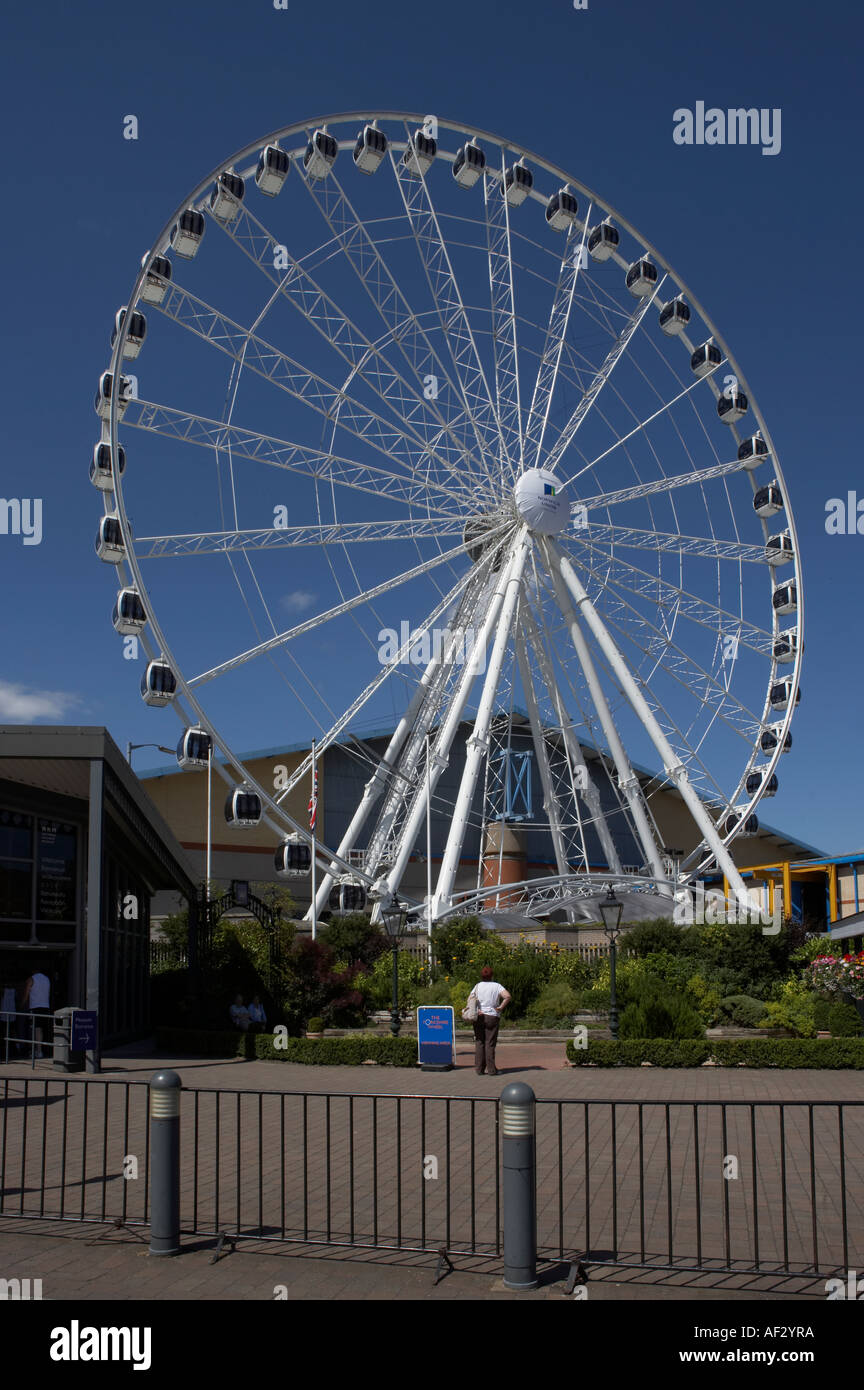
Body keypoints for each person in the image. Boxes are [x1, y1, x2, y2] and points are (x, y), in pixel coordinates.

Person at [467, 966, 511, 1077]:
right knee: (490, 1043)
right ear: (492, 976)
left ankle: (479, 1069)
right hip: (492, 1016)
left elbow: (470, 999)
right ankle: (491, 1070)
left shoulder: (477, 986)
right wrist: (500, 1007)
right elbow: (507, 996)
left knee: (479, 1042)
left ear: (481, 976)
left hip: (479, 1016)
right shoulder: (496, 986)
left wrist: (477, 1010)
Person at [23, 969, 52, 1060]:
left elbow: (26, 994)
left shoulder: (31, 979)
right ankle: (39, 1050)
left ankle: (38, 1051)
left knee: (35, 1029)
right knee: (41, 1029)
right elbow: (49, 993)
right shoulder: (47, 979)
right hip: (45, 1006)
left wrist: (22, 1004)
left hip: (35, 1007)